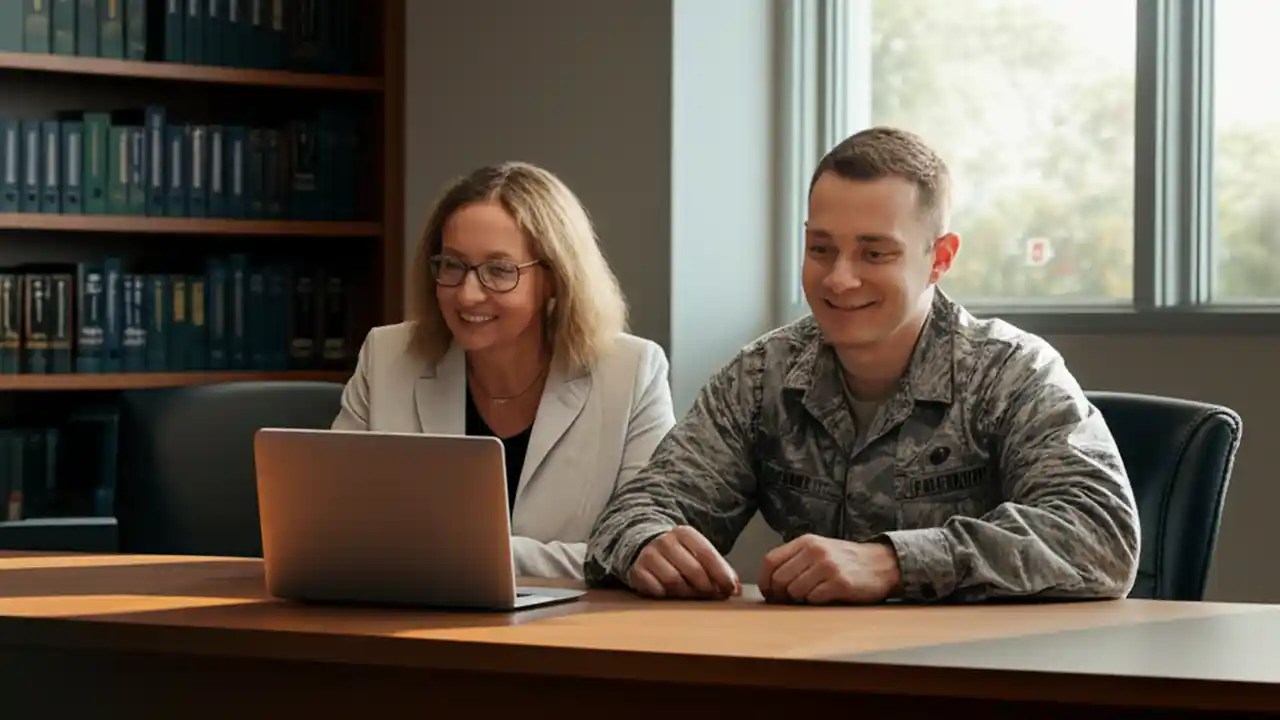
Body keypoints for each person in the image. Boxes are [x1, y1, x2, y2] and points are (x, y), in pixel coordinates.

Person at [585, 127, 1141, 604]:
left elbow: (1101, 534)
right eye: (821, 249)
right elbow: (634, 512)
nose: (839, 279)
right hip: (813, 676)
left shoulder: (1010, 373)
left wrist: (894, 564)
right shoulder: (763, 376)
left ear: (939, 259)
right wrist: (645, 541)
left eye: (875, 254)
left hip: (981, 681)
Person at [333, 161, 676, 580]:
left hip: (571, 631)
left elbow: (641, 548)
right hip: (411, 620)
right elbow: (335, 528)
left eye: (499, 270)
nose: (468, 294)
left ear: (555, 278)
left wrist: (467, 554)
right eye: (452, 266)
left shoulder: (632, 373)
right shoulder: (387, 358)